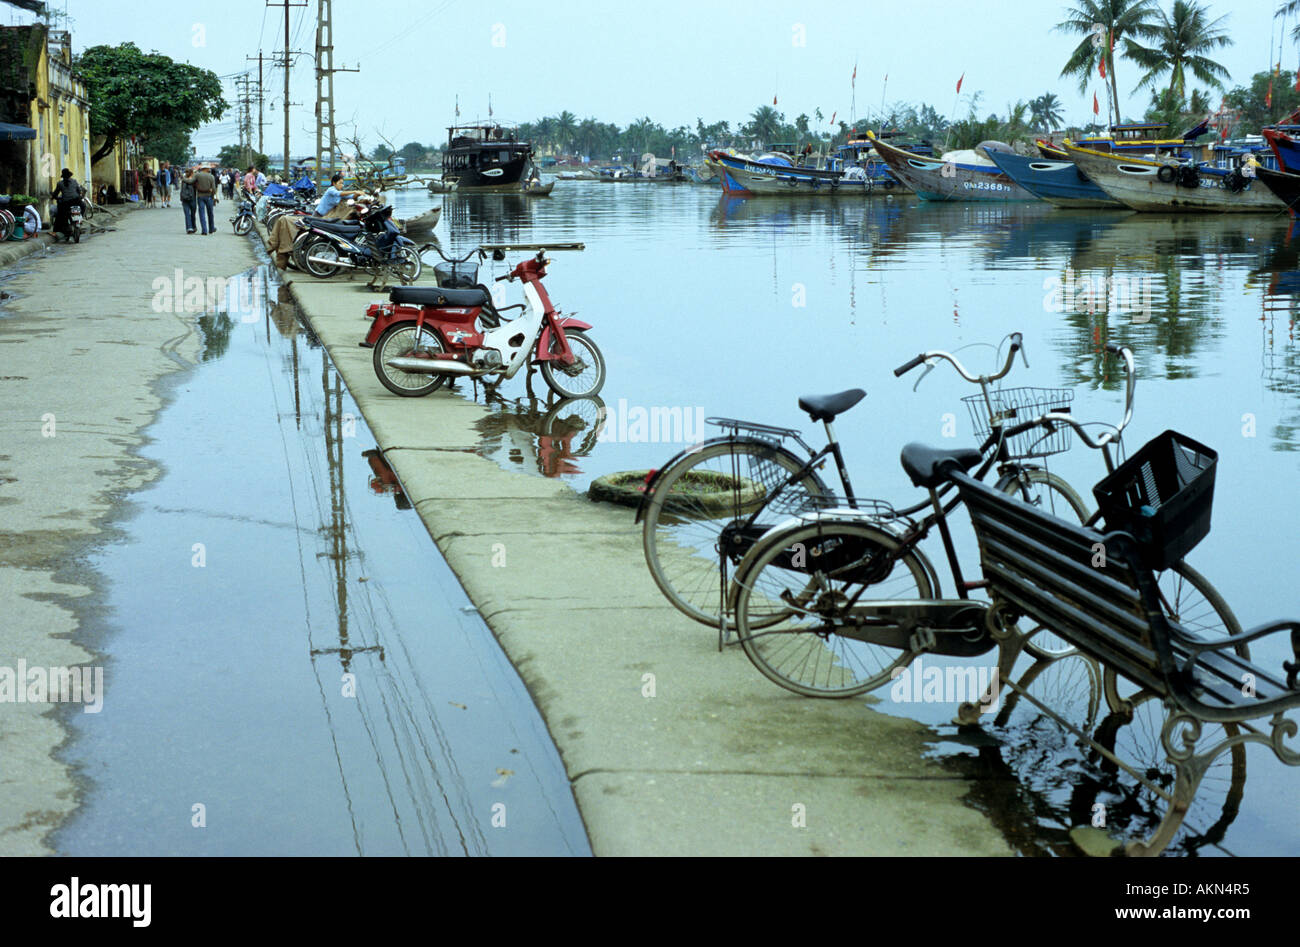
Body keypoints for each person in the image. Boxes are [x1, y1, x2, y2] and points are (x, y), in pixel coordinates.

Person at [52, 168, 83, 236]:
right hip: (77, 201)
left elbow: (55, 193)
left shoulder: (60, 183)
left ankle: (57, 229)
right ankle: (81, 220)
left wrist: (54, 197)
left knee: (60, 214)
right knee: (83, 206)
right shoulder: (74, 181)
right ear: (69, 175)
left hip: (66, 203)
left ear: (63, 176)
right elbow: (79, 191)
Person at [193, 164, 217, 234]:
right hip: (209, 196)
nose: (209, 169)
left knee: (202, 214)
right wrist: (213, 196)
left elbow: (192, 181)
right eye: (208, 168)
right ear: (206, 168)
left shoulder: (197, 175)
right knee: (210, 214)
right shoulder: (211, 176)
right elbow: (214, 189)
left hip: (200, 196)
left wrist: (184, 179)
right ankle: (211, 228)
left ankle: (204, 230)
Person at [179, 167, 198, 234]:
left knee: (187, 214)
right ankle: (193, 227)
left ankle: (189, 228)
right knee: (192, 214)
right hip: (192, 198)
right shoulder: (194, 180)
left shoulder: (183, 180)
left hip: (184, 199)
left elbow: (182, 189)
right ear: (192, 173)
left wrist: (181, 197)